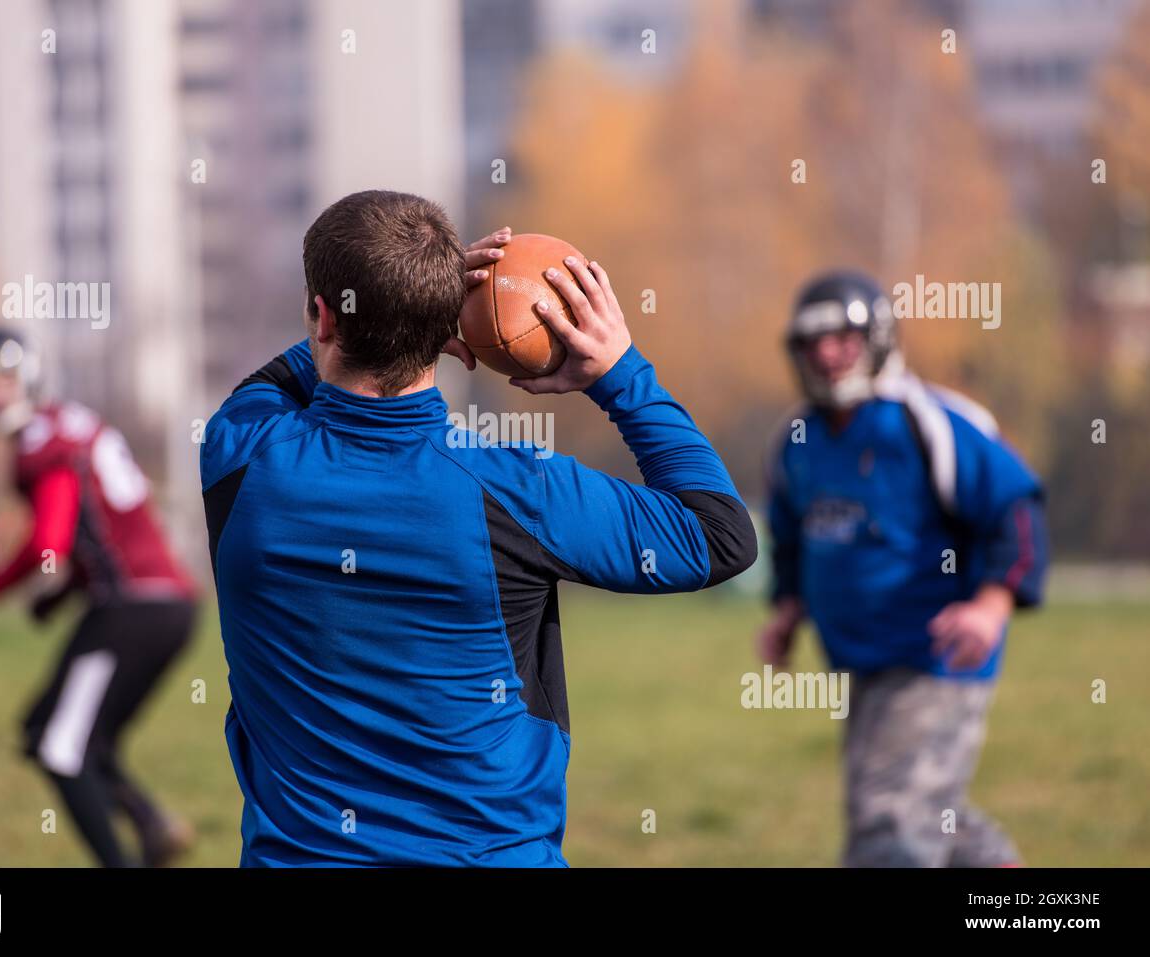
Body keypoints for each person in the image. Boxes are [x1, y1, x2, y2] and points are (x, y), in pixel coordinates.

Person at [201, 190, 757, 866]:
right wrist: (620, 375)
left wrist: (403, 302)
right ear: (446, 323)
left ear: (321, 317)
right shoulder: (516, 489)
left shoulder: (238, 454)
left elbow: (271, 381)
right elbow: (720, 535)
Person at [757, 271, 1048, 867]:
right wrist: (788, 611)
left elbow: (1015, 506)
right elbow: (794, 537)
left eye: (843, 337)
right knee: (930, 810)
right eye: (813, 341)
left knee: (889, 819)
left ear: (879, 339)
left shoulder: (927, 421)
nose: (827, 354)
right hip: (865, 663)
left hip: (934, 657)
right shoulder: (797, 439)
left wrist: (991, 607)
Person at [0, 328, 199, 867]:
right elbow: (94, 537)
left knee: (59, 747)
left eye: (3, 379)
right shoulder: (68, 423)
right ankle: (150, 822)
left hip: (131, 609)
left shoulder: (43, 443)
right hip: (162, 606)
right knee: (68, 730)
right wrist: (61, 593)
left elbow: (50, 542)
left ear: (27, 377)